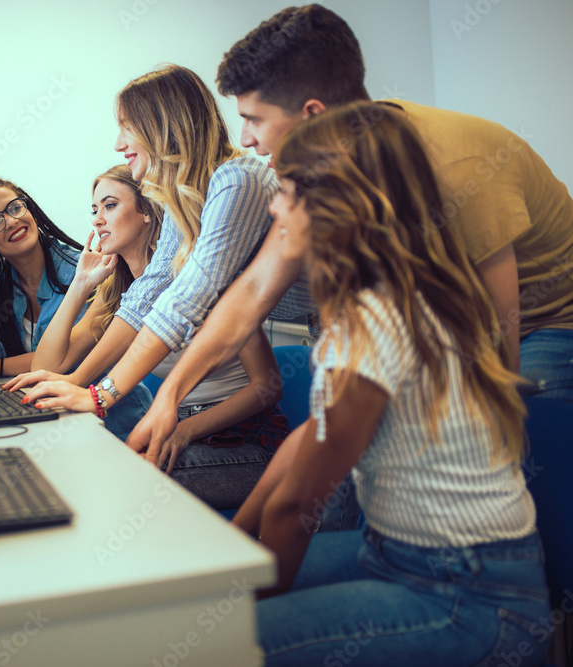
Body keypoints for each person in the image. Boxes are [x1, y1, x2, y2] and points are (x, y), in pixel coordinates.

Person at [128, 4, 573, 457]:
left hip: (548, 321)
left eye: (254, 118)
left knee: (512, 444)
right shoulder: (311, 177)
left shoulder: (457, 168)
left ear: (312, 114)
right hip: (447, 321)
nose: (245, 138)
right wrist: (169, 396)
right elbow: (251, 292)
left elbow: (498, 342)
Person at [244, 100, 549, 666]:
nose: (272, 206)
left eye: (284, 192)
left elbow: (294, 508)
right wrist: (232, 547)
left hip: (471, 598)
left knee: (220, 641)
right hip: (400, 557)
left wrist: (226, 614)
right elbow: (308, 441)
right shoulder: (398, 291)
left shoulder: (375, 321)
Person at [12, 66, 311, 489]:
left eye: (127, 128)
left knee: (116, 482)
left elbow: (188, 295)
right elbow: (148, 293)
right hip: (316, 335)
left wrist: (100, 395)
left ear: (162, 127)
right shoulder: (184, 202)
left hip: (332, 346)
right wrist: (77, 384)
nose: (119, 144)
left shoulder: (236, 179)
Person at [7, 165, 289, 508]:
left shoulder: (196, 278)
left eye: (110, 206)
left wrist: (186, 431)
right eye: (94, 210)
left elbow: (268, 386)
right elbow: (49, 364)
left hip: (243, 440)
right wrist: (80, 285)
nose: (97, 220)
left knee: (122, 482)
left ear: (146, 211)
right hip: (179, 431)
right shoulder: (119, 292)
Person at [0, 176, 151, 440]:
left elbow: (58, 363)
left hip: (116, 427)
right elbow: (13, 353)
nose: (11, 221)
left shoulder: (90, 271)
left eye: (15, 208)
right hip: (65, 422)